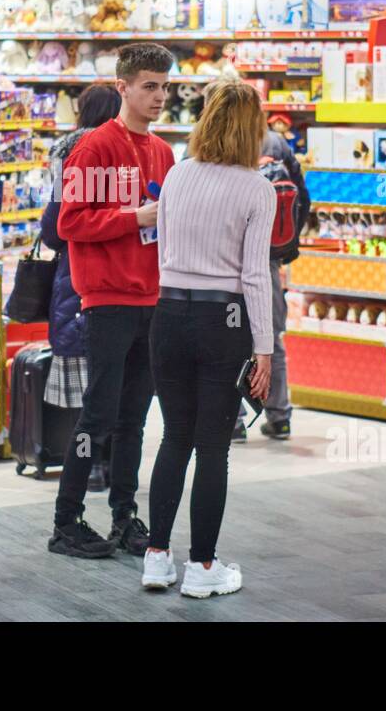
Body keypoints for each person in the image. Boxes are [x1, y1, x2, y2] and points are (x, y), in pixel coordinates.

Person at [142, 79, 275, 598]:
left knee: (174, 436)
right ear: (252, 128)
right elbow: (255, 276)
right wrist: (264, 348)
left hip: (168, 313)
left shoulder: (177, 176)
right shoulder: (256, 188)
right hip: (224, 321)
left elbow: (162, 250)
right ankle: (202, 567)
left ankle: (157, 556)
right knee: (212, 447)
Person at [48, 43, 176, 559]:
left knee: (135, 417)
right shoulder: (94, 148)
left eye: (165, 86)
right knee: (97, 415)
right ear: (122, 87)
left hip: (152, 298)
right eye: (150, 86)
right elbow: (68, 223)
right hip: (106, 300)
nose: (160, 96)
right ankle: (66, 521)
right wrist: (135, 218)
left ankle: (125, 515)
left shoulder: (165, 153)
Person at [40, 84, 122, 493]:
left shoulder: (68, 155)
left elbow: (54, 232)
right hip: (125, 283)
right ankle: (113, 465)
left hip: (77, 282)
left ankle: (88, 467)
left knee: (86, 396)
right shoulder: (133, 154)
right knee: (117, 382)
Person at [233, 127, 309, 442]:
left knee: (232, 339)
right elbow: (302, 197)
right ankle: (280, 418)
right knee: (272, 336)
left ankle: (233, 420)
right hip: (268, 256)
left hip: (229, 256)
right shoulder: (276, 142)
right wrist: (285, 248)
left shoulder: (208, 138)